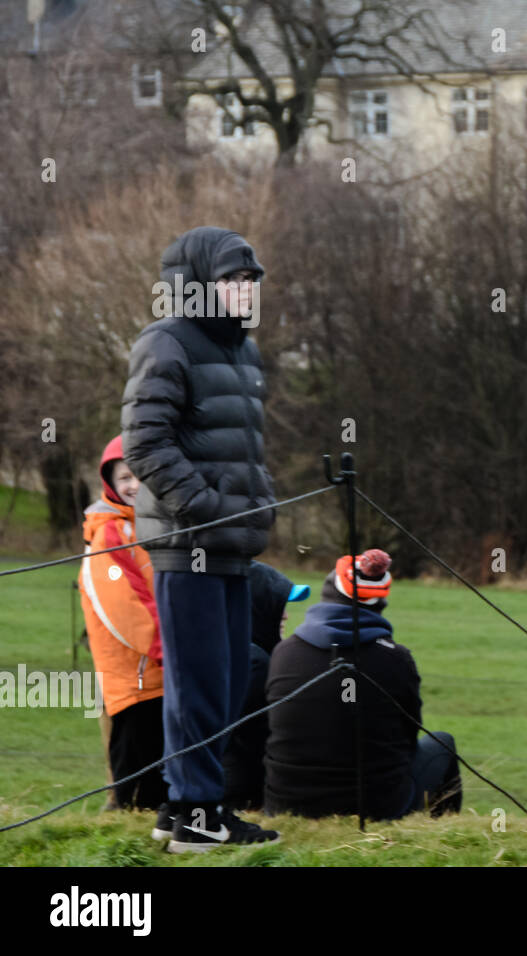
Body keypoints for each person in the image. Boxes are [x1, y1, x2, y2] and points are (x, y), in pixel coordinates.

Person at [121, 226, 280, 852]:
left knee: (229, 675)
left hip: (232, 546)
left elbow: (244, 446)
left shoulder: (244, 352)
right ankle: (194, 815)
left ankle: (185, 806)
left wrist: (257, 502)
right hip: (187, 542)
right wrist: (206, 507)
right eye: (231, 279)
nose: (245, 291)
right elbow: (146, 443)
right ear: (195, 285)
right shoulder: (164, 342)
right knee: (199, 679)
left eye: (250, 280)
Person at [262, 550, 462, 821]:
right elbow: (409, 735)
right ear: (379, 604)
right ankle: (445, 831)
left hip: (285, 804)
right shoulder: (396, 658)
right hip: (378, 808)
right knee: (443, 743)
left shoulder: (284, 652)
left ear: (328, 595)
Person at [79, 435, 165, 810]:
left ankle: (152, 817)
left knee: (159, 759)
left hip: (157, 671)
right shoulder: (112, 532)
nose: (133, 485)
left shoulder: (150, 525)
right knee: (134, 756)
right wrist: (166, 646)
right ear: (110, 485)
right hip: (137, 674)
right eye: (124, 477)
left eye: (140, 475)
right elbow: (123, 604)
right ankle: (122, 824)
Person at [221, 560, 311, 810]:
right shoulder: (253, 662)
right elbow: (266, 736)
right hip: (243, 795)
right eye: (277, 603)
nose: (285, 614)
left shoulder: (229, 649)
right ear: (255, 605)